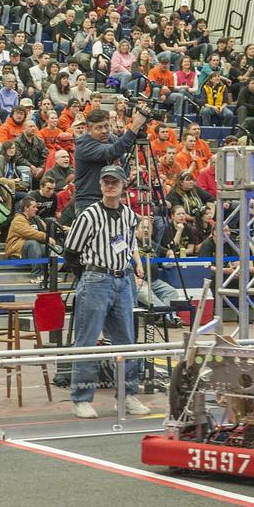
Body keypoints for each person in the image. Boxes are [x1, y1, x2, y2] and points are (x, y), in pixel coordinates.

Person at [63, 164, 147, 419]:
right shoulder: (88, 216)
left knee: (127, 342)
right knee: (87, 341)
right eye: (106, 182)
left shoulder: (130, 217)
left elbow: (129, 247)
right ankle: (81, 398)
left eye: (115, 182)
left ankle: (128, 395)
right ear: (100, 185)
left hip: (123, 280)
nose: (110, 186)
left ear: (123, 186)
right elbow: (70, 252)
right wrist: (88, 277)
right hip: (96, 278)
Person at [73, 107, 148, 214]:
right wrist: (135, 126)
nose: (104, 131)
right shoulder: (84, 145)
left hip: (112, 199)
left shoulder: (111, 138)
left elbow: (125, 168)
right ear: (88, 129)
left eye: (106, 126)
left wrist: (118, 168)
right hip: (89, 200)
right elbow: (113, 151)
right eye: (98, 128)